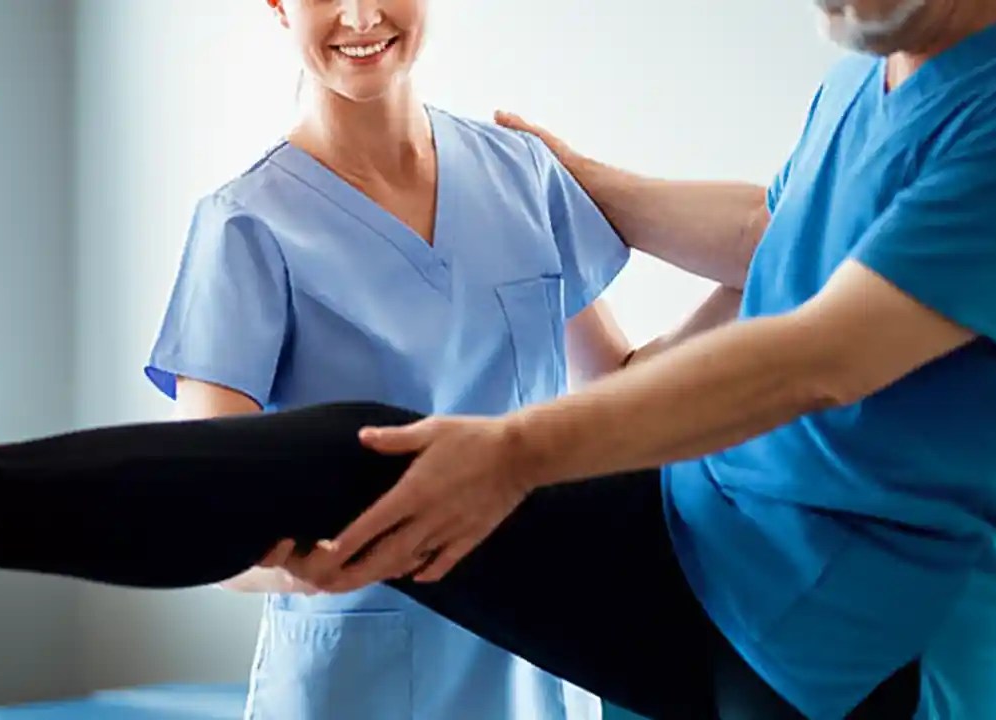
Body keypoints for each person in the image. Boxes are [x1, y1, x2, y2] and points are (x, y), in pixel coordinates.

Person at [0, 0, 996, 717]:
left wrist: (511, 455)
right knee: (351, 450)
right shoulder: (869, 72)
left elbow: (818, 349)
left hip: (865, 625)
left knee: (368, 459)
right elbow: (788, 240)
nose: (361, 14)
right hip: (695, 557)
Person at [140, 0, 644, 717]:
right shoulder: (246, 225)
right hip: (360, 674)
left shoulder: (521, 172)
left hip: (539, 657)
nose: (359, 14)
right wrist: (297, 571)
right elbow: (200, 511)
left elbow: (620, 383)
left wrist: (773, 271)